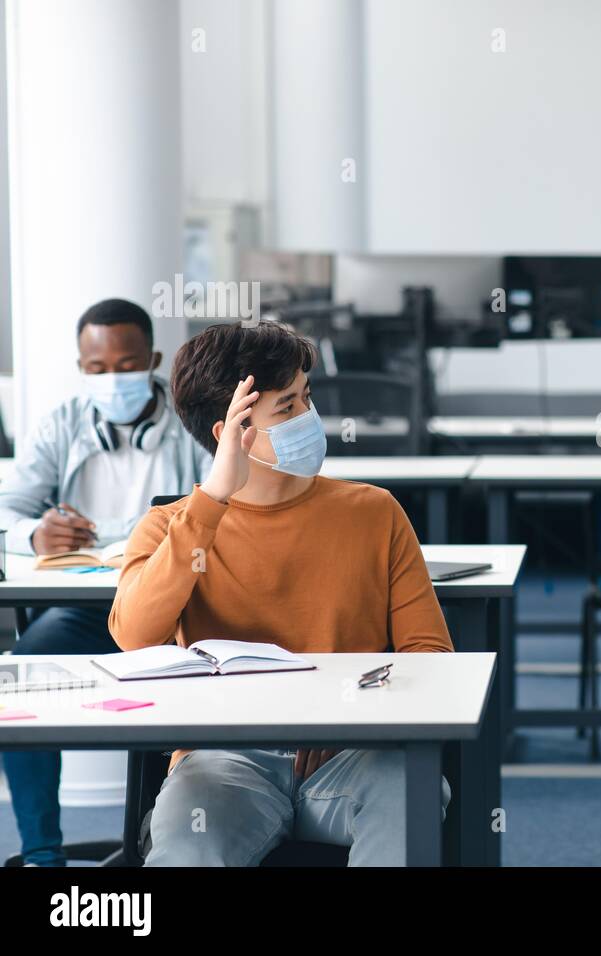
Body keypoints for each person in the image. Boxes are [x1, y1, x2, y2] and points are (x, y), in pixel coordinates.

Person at [108, 319, 453, 866]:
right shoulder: (169, 527)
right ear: (231, 431)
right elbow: (134, 636)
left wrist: (345, 718)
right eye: (287, 407)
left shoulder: (374, 511)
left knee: (412, 792)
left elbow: (431, 658)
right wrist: (212, 501)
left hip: (352, 755)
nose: (309, 418)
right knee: (188, 846)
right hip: (225, 761)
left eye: (305, 398)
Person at [0, 298, 210, 867]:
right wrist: (35, 534)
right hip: (84, 609)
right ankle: (43, 852)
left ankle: (156, 846)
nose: (112, 379)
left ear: (155, 360)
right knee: (16, 679)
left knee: (192, 694)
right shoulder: (62, 423)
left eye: (126, 365)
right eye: (96, 368)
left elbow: (223, 508)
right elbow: (8, 509)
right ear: (81, 366)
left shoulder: (193, 424)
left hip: (173, 613)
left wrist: (126, 532)